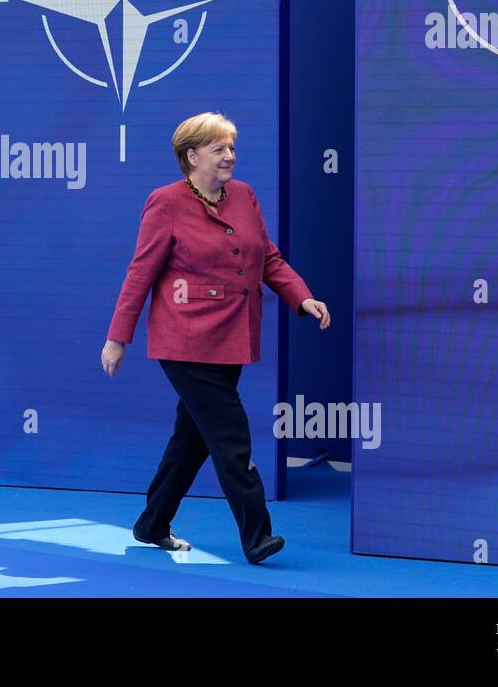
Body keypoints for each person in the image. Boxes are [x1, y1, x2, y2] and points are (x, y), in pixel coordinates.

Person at [101, 111, 330, 564]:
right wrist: (117, 337)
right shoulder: (164, 202)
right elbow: (139, 275)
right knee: (230, 436)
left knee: (191, 439)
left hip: (231, 337)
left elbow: (269, 258)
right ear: (191, 156)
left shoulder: (243, 195)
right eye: (219, 149)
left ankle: (152, 523)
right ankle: (257, 535)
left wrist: (301, 298)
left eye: (231, 147)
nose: (230, 156)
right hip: (183, 341)